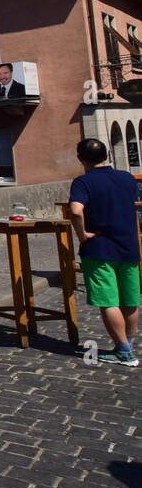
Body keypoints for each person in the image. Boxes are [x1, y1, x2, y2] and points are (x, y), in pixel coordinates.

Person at [68, 137, 140, 366]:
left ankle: (123, 351)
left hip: (99, 248)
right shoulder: (126, 178)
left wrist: (82, 234)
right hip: (128, 246)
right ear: (107, 154)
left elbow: (76, 211)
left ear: (81, 159)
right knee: (129, 300)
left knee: (108, 301)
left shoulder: (83, 182)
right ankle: (128, 344)